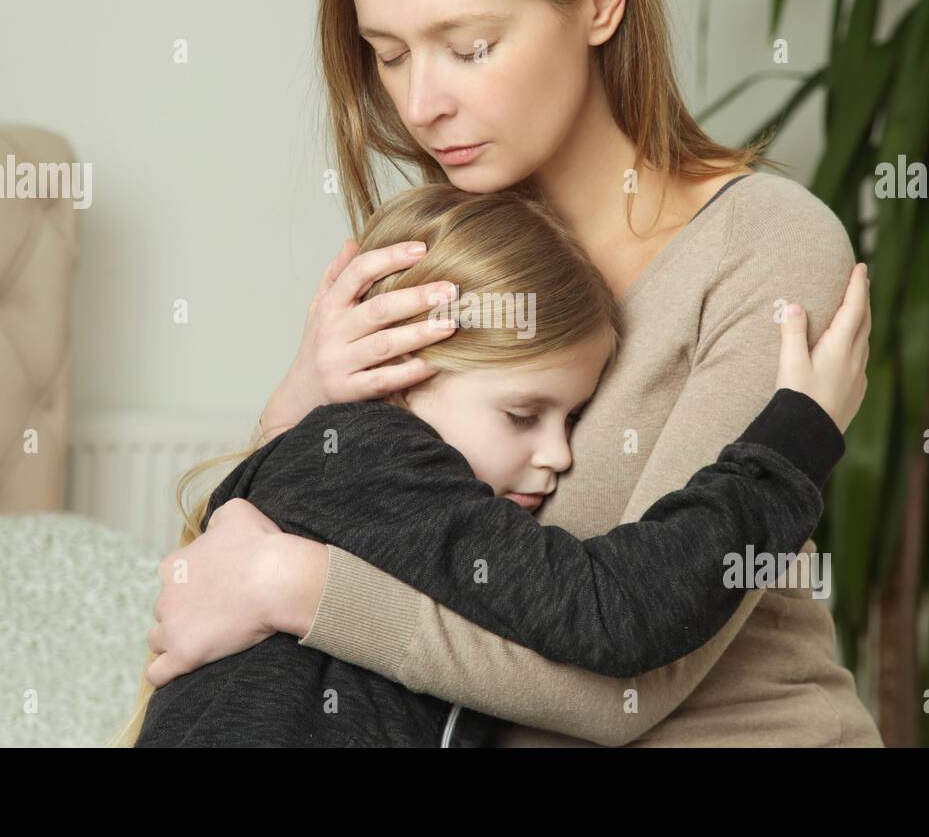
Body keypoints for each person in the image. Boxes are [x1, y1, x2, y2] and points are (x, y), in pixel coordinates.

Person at [147, 0, 882, 747]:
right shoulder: (455, 251)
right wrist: (304, 393)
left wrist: (295, 589)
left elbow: (627, 683)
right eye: (388, 55)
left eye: (470, 47)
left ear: (599, 0)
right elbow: (220, 588)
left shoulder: (767, 245)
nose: (421, 105)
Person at [119, 185, 862, 747]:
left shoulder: (338, 466)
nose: (559, 455)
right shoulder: (372, 461)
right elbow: (615, 612)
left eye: (572, 420)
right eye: (522, 415)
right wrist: (788, 452)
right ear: (404, 371)